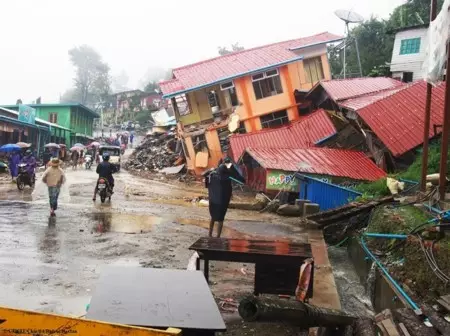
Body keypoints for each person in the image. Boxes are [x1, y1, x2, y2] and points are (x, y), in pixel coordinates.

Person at [205, 157, 245, 237]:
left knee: (213, 217)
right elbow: (240, 180)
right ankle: (218, 236)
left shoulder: (212, 174)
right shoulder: (228, 176)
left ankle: (210, 235)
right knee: (220, 219)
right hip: (222, 201)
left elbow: (207, 185)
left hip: (213, 200)